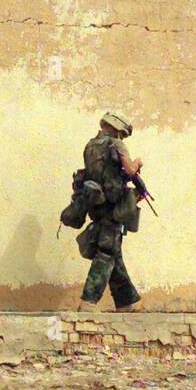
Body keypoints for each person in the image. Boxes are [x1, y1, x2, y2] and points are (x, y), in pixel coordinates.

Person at [79, 112, 143, 311]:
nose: (122, 138)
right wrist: (138, 163)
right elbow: (130, 170)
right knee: (106, 253)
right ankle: (88, 301)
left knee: (113, 250)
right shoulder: (116, 145)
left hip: (95, 203)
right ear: (116, 128)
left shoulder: (90, 146)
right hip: (114, 204)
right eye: (122, 134)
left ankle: (126, 302)